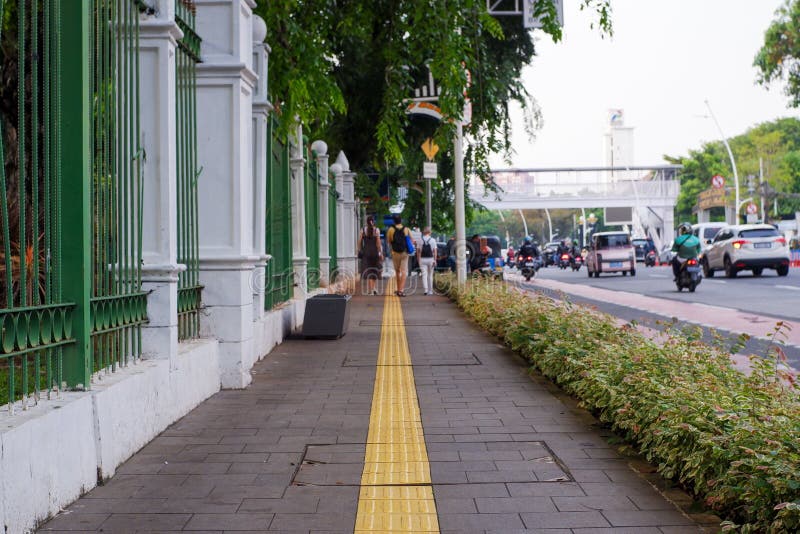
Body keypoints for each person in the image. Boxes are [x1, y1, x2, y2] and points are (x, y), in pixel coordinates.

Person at [385, 215, 412, 296]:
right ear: (401, 221)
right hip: (404, 253)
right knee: (404, 272)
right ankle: (401, 290)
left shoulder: (391, 229)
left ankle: (398, 289)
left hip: (395, 253)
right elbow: (411, 239)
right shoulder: (406, 229)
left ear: (394, 221)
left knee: (397, 271)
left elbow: (388, 241)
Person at [358, 216, 383, 295]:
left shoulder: (363, 230)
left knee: (368, 271)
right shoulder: (376, 230)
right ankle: (373, 289)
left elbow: (359, 241)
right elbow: (378, 243)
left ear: (366, 221)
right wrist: (380, 253)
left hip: (366, 252)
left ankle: (372, 289)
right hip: (374, 252)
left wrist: (359, 250)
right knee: (374, 270)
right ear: (373, 221)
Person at [416, 227, 437, 295]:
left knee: (424, 275)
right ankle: (430, 291)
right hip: (431, 259)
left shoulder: (420, 240)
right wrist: (435, 260)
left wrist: (418, 260)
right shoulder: (433, 240)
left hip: (422, 259)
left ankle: (425, 290)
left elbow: (418, 251)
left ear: (423, 232)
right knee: (430, 275)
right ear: (430, 232)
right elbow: (435, 251)